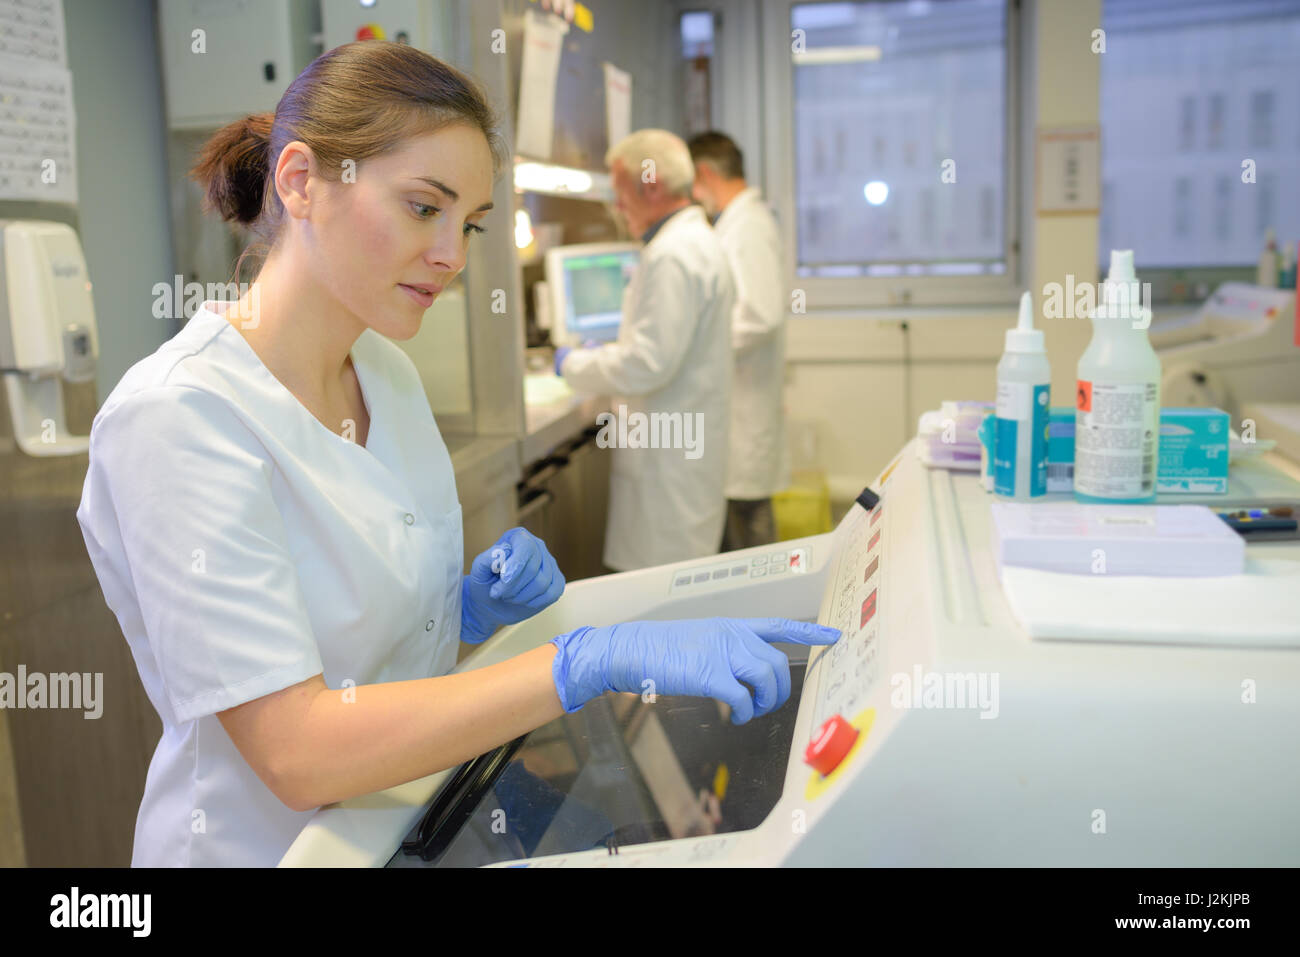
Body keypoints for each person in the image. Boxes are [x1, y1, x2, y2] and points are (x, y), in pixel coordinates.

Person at [73, 42, 837, 867]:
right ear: (299, 182)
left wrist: (458, 611)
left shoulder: (385, 373)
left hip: (417, 814)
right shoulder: (181, 416)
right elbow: (297, 750)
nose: (454, 257)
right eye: (422, 207)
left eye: (468, 223)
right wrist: (576, 663)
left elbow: (362, 631)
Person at [556, 129, 736, 572]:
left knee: (664, 595)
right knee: (678, 590)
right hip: (681, 452)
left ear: (651, 186)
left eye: (619, 193)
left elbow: (647, 364)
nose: (618, 207)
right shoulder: (693, 242)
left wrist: (572, 363)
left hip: (668, 467)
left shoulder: (672, 254)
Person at [687, 131, 790, 551]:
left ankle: (770, 616)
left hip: (745, 408)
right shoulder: (738, 223)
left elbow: (760, 316)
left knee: (750, 538)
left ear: (704, 173)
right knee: (744, 533)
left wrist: (700, 348)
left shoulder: (746, 226)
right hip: (739, 405)